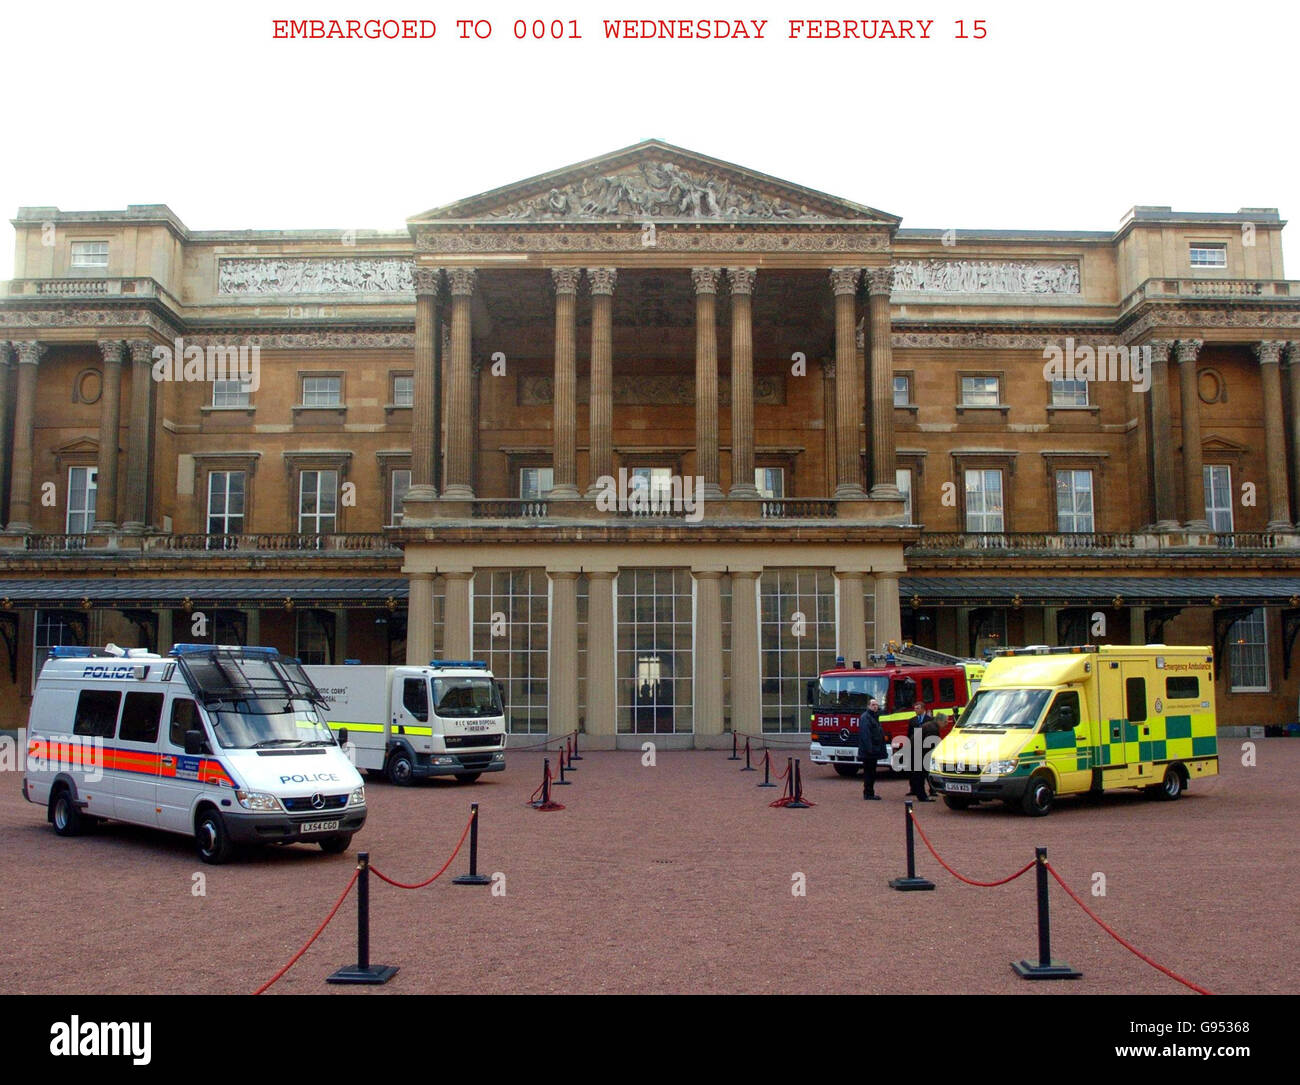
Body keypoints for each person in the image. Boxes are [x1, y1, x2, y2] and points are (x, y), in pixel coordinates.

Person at [908, 702, 938, 801]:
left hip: (926, 750)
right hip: (916, 750)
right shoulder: (912, 721)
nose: (915, 710)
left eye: (917, 708)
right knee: (917, 773)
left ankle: (932, 790)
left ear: (923, 709)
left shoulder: (930, 720)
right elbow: (909, 735)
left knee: (927, 772)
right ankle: (918, 792)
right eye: (915, 708)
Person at [858, 697, 886, 800]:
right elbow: (866, 735)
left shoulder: (873, 716)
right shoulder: (866, 717)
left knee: (872, 772)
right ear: (868, 706)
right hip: (869, 752)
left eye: (876, 705)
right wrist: (870, 749)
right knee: (869, 773)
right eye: (873, 705)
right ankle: (868, 793)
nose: (875, 707)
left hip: (873, 750)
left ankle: (870, 792)